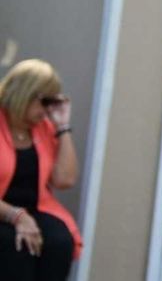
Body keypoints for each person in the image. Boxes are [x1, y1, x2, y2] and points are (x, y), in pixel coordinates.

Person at [0, 59, 81, 281]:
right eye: (46, 102)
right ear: (24, 94)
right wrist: (16, 216)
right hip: (3, 210)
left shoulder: (43, 128)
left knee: (59, 241)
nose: (48, 110)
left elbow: (64, 180)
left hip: (35, 208)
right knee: (16, 246)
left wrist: (62, 127)